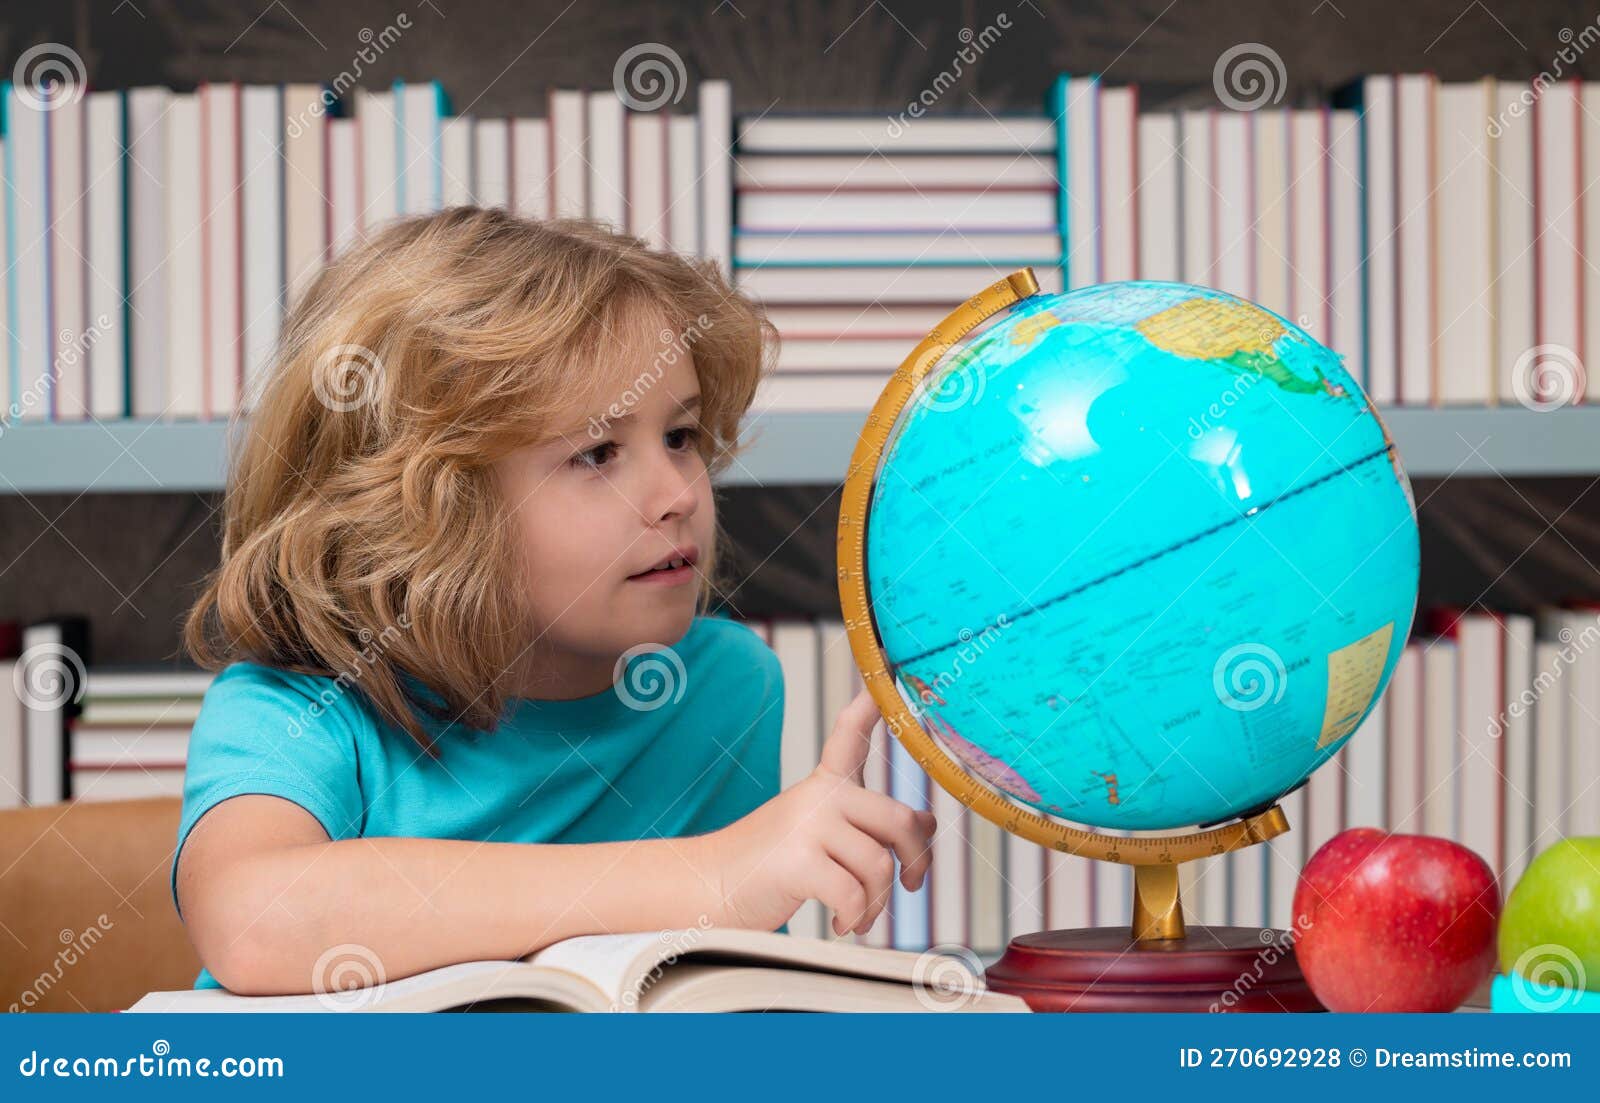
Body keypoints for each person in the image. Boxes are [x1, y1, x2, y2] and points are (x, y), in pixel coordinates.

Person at [173, 208, 935, 993]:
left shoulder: (726, 686)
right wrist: (715, 872)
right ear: (426, 510)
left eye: (681, 436)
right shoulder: (301, 709)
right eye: (597, 453)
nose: (677, 493)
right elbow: (254, 920)